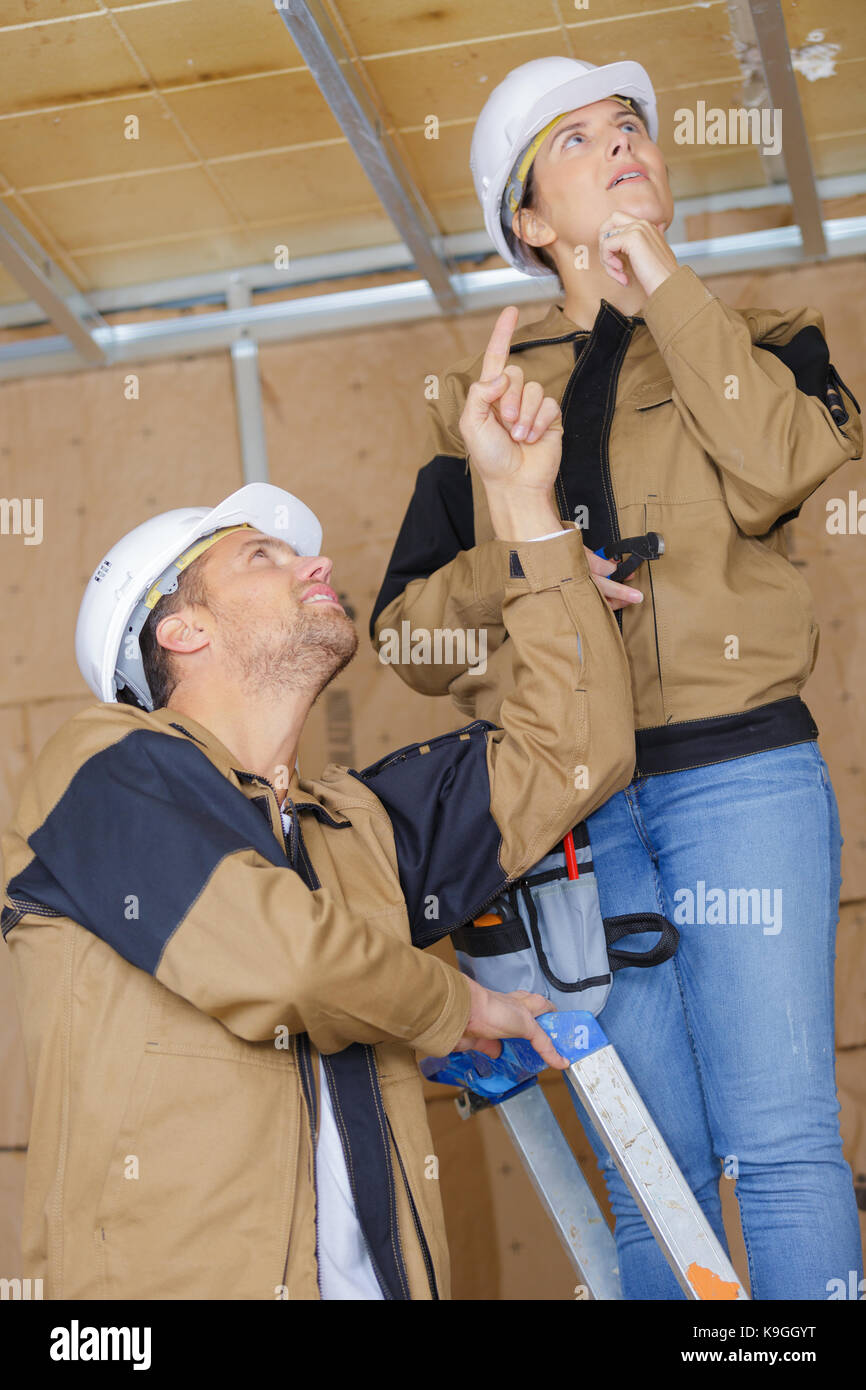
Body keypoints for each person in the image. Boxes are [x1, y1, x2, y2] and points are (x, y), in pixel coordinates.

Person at [1, 326, 636, 1301]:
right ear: (182, 628)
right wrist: (462, 1007)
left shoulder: (353, 829)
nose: (314, 563)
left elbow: (575, 751)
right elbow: (286, 957)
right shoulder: (97, 771)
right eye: (263, 555)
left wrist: (521, 503)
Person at [370, 55, 864, 1300]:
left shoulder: (760, 336)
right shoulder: (478, 405)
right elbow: (407, 639)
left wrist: (671, 299)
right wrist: (537, 562)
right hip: (564, 822)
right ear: (529, 222)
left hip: (737, 775)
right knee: (653, 1175)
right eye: (578, 138)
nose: (624, 143)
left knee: (785, 1139)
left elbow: (773, 470)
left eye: (631, 125)